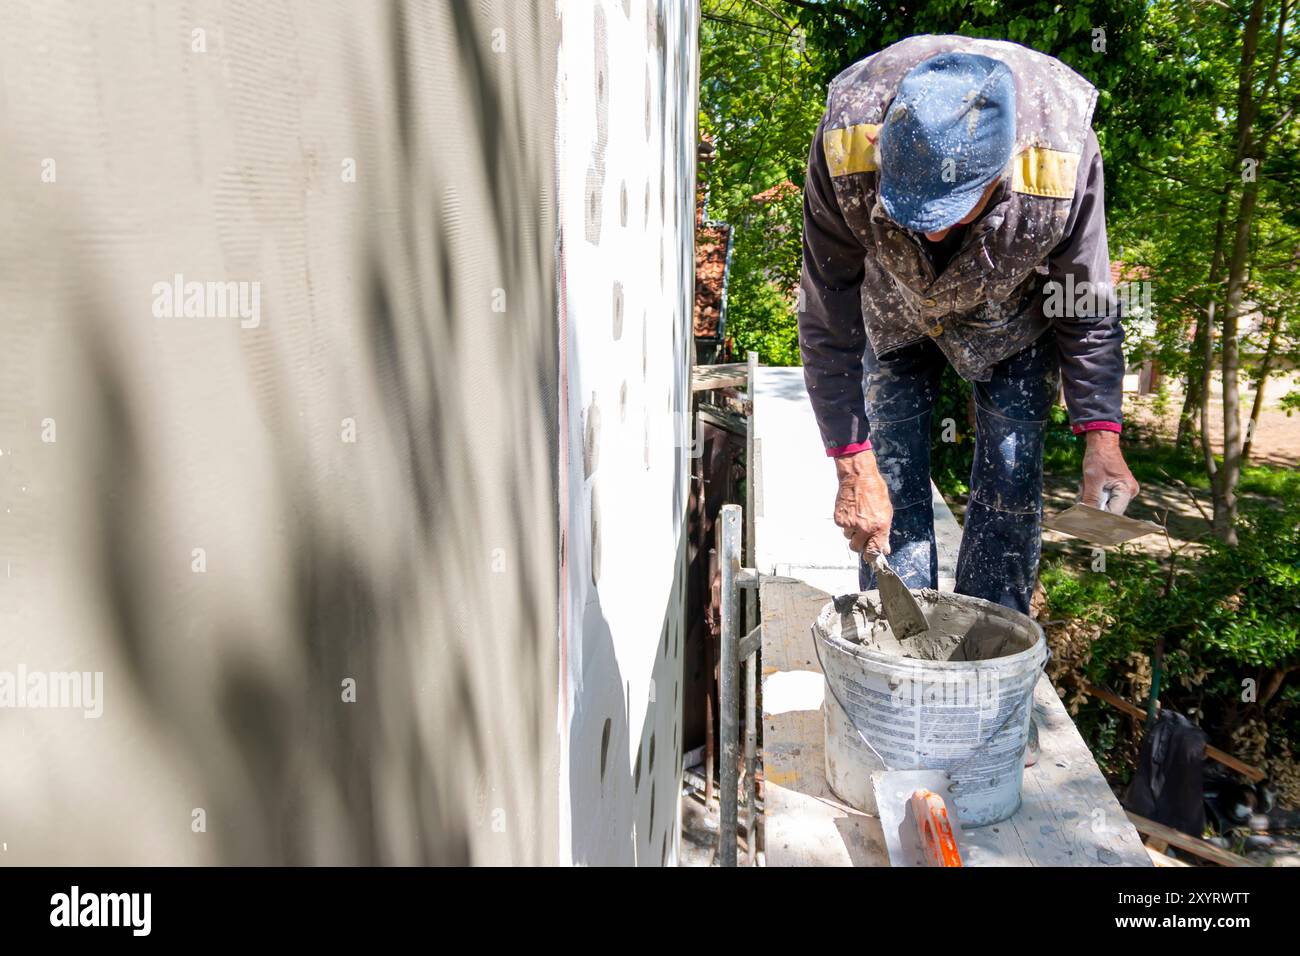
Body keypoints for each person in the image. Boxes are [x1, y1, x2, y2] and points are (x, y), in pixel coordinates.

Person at [798, 35, 1139, 615]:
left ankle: (989, 646)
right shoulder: (845, 141)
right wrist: (852, 464)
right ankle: (898, 644)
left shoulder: (1061, 153)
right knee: (890, 486)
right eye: (914, 212)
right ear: (882, 145)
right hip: (895, 304)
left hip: (1012, 313)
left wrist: (1101, 437)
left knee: (1010, 481)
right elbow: (827, 310)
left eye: (950, 212)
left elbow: (1083, 303)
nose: (933, 235)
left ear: (1000, 174)